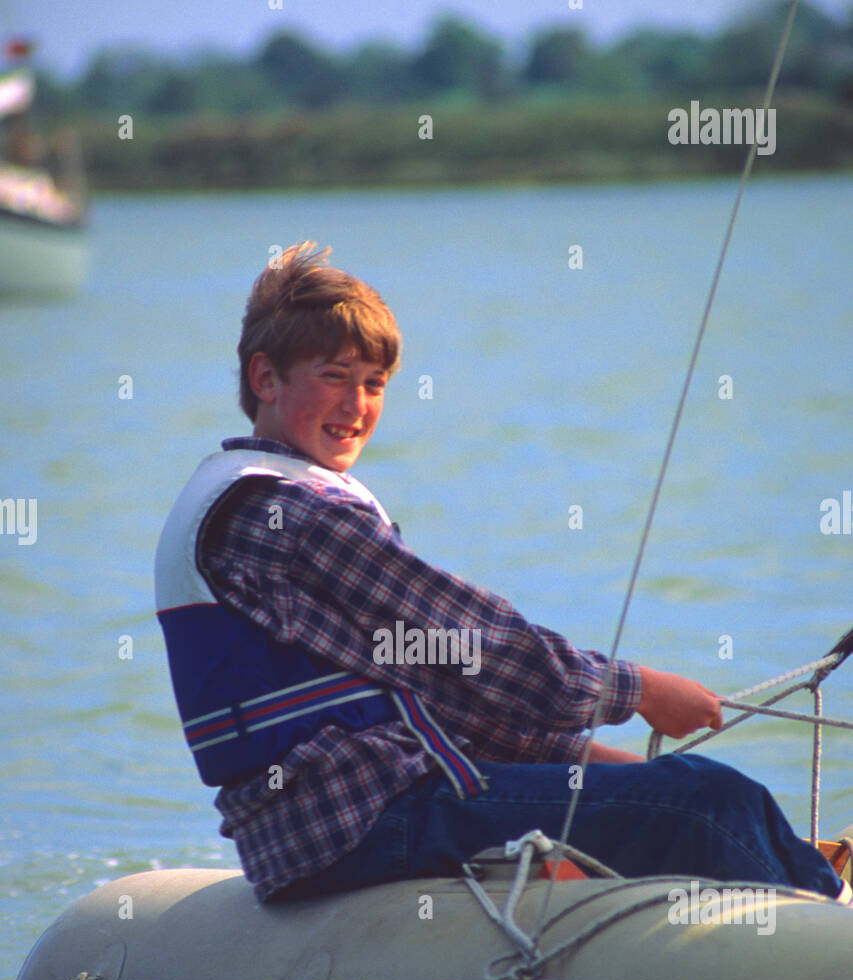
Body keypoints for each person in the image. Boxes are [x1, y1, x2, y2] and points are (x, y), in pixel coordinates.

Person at [155, 241, 848, 907]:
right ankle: (822, 934)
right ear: (264, 378)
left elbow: (435, 690)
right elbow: (467, 642)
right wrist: (634, 689)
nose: (356, 405)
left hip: (330, 826)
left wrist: (589, 759)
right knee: (711, 802)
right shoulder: (282, 514)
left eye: (373, 384)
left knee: (689, 794)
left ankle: (797, 874)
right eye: (333, 376)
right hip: (360, 821)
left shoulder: (251, 497)